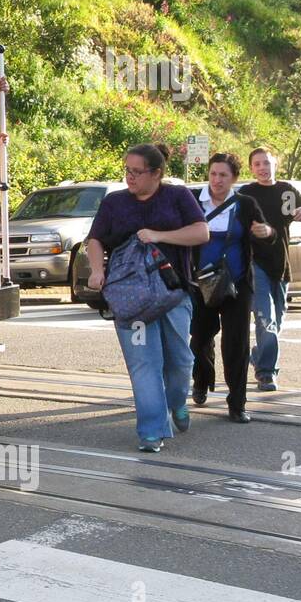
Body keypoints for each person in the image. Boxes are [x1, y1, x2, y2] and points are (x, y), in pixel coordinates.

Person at [86, 143, 209, 452]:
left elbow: (201, 232)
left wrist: (159, 235)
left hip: (173, 292)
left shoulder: (178, 196)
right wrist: (97, 270)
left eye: (137, 172)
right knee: (144, 365)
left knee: (180, 361)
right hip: (132, 297)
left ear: (156, 173)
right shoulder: (114, 203)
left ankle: (177, 401)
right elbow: (95, 240)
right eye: (127, 170)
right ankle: (152, 431)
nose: (130, 177)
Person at [189, 153, 271, 423]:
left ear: (234, 178)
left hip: (237, 284)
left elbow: (264, 233)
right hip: (200, 283)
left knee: (236, 343)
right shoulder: (192, 200)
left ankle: (237, 402)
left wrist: (266, 233)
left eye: (223, 175)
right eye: (213, 174)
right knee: (200, 338)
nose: (217, 180)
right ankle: (201, 380)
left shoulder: (245, 204)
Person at [237, 147, 301, 391]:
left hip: (281, 263)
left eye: (266, 162)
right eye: (257, 164)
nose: (263, 168)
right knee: (266, 319)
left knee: (277, 321)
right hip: (255, 263)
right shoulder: (246, 193)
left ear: (275, 164)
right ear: (251, 168)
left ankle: (258, 356)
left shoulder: (287, 190)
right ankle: (267, 373)